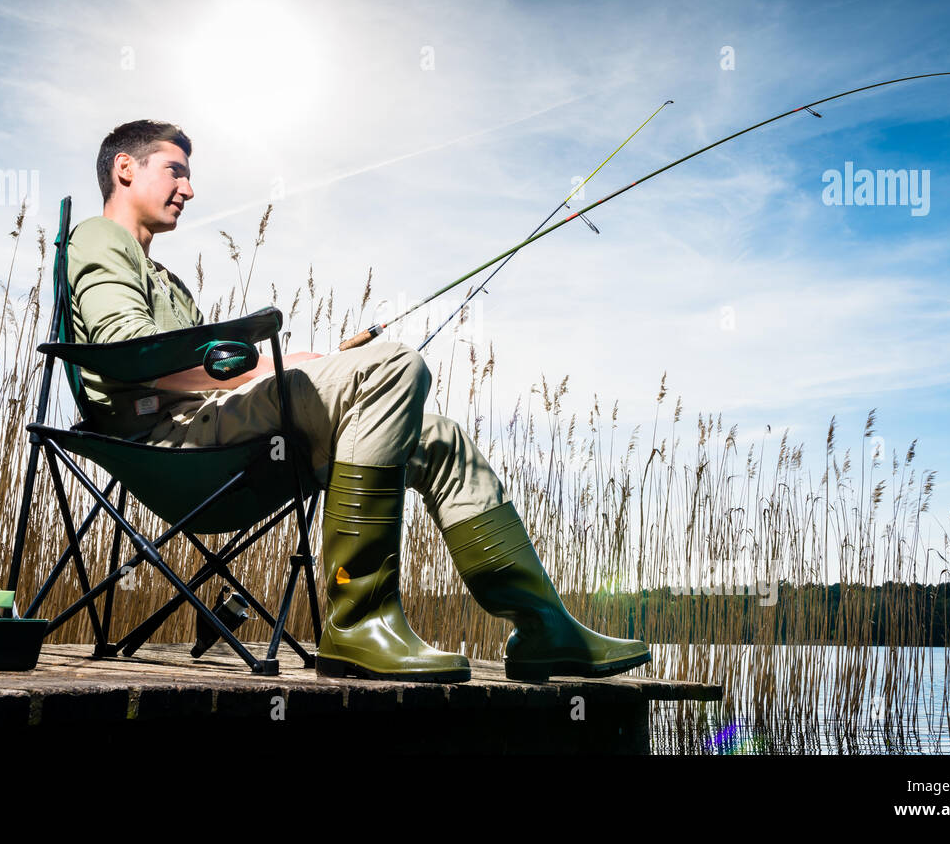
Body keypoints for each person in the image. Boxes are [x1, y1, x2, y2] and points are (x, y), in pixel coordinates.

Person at [67, 118, 652, 683]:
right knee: (395, 365)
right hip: (170, 442)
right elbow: (131, 353)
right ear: (125, 168)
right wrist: (278, 366)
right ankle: (358, 621)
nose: (188, 188)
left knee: (439, 440)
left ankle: (544, 629)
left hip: (218, 426)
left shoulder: (166, 278)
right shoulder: (99, 238)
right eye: (175, 171)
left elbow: (203, 369)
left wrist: (313, 365)